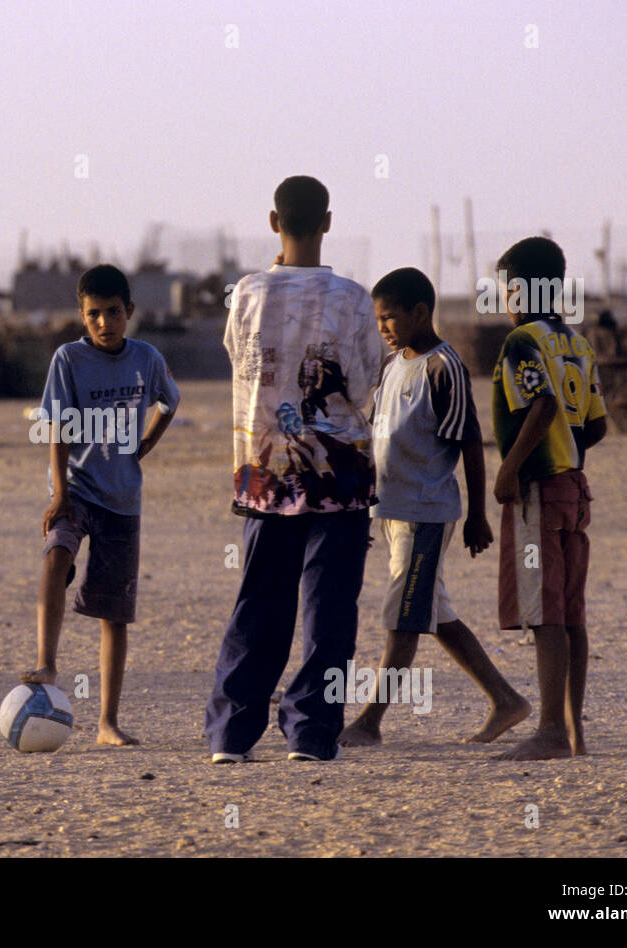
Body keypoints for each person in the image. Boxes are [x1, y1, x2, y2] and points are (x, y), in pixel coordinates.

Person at [204, 175, 384, 763]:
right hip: (342, 480)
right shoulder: (355, 299)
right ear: (327, 223)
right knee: (329, 610)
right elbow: (363, 384)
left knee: (259, 601)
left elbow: (241, 361)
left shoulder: (247, 294)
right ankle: (311, 731)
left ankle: (231, 733)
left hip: (264, 475)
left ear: (274, 222)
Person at [337, 267, 529, 748]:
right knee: (435, 614)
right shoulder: (391, 364)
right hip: (391, 511)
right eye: (378, 318)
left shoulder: (445, 368)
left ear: (421, 313)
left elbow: (469, 444)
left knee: (404, 615)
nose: (382, 326)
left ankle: (370, 722)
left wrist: (478, 516)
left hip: (427, 511)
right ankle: (507, 701)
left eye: (391, 317)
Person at [20, 264, 180, 746]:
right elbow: (57, 426)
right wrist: (60, 493)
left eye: (113, 312)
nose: (104, 323)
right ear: (81, 316)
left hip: (123, 499)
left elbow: (169, 402)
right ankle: (47, 659)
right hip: (77, 489)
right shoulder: (68, 359)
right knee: (56, 555)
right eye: (94, 315)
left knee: (115, 612)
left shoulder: (146, 358)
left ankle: (107, 722)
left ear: (129, 311)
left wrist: (147, 443)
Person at [490, 237, 607, 760]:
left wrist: (509, 468)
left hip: (539, 489)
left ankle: (549, 732)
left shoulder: (521, 342)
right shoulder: (577, 343)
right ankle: (574, 731)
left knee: (546, 616)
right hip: (575, 491)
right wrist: (569, 445)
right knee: (572, 614)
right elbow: (598, 425)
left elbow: (539, 406)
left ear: (518, 289)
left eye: (505, 289)